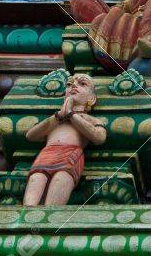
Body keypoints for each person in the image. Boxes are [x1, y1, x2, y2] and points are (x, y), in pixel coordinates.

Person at [22, 73, 107, 206]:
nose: (74, 85)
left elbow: (99, 137)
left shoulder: (90, 119)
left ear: (92, 98)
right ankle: (27, 214)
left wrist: (72, 115)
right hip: (47, 152)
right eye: (69, 84)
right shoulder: (56, 118)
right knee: (37, 177)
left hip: (71, 153)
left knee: (61, 178)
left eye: (82, 84)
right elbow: (30, 135)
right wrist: (59, 116)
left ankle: (50, 217)